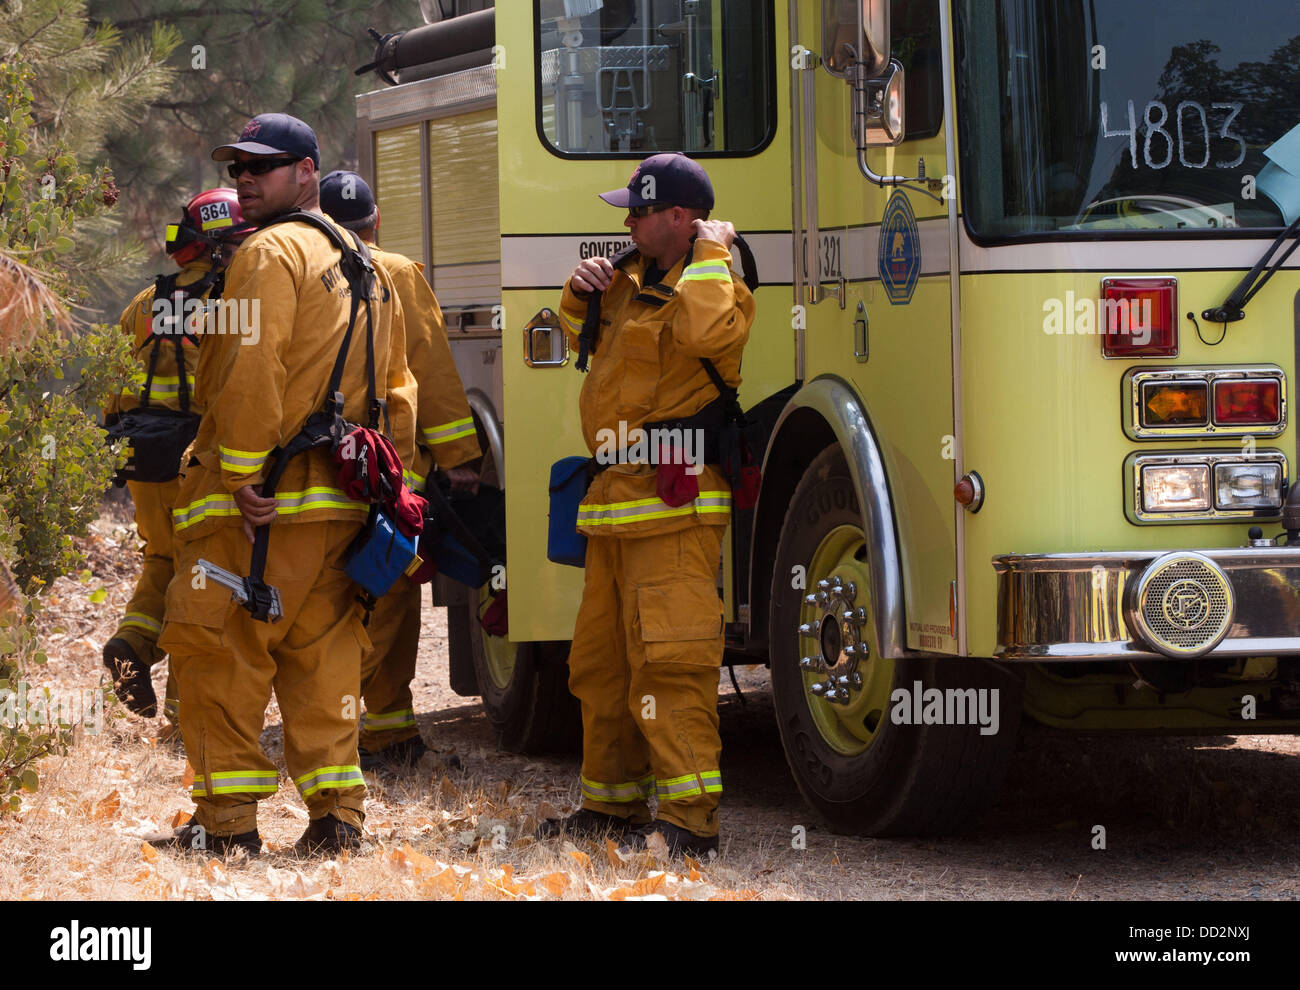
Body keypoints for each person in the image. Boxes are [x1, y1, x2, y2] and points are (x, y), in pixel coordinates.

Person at [153, 113, 417, 856]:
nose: (245, 179)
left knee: (224, 655)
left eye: (261, 167)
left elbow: (249, 364)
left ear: (307, 172)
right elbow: (398, 387)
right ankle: (338, 822)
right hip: (339, 504)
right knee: (324, 660)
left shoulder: (269, 252)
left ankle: (227, 829)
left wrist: (236, 473)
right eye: (237, 168)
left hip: (259, 507)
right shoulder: (366, 263)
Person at [543, 153, 755, 858]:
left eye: (639, 211)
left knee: (671, 661)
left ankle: (691, 821)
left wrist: (709, 252)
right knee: (601, 664)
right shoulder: (631, 279)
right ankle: (611, 806)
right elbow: (568, 343)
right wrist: (579, 293)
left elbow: (702, 337)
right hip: (614, 502)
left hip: (674, 502)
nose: (626, 222)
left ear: (678, 218)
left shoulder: (717, 275)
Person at [319, 169, 480, 771]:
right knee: (386, 601)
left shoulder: (305, 274)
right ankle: (372, 738)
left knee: (330, 605)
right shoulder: (396, 273)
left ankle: (364, 731)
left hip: (317, 473)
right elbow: (430, 369)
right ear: (376, 221)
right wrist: (461, 456)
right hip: (386, 475)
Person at [102, 188, 253, 733]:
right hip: (200, 462)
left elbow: (111, 390)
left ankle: (133, 643)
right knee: (203, 576)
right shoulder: (235, 306)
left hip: (144, 459)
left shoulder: (143, 304)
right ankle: (187, 711)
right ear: (222, 247)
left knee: (161, 559)